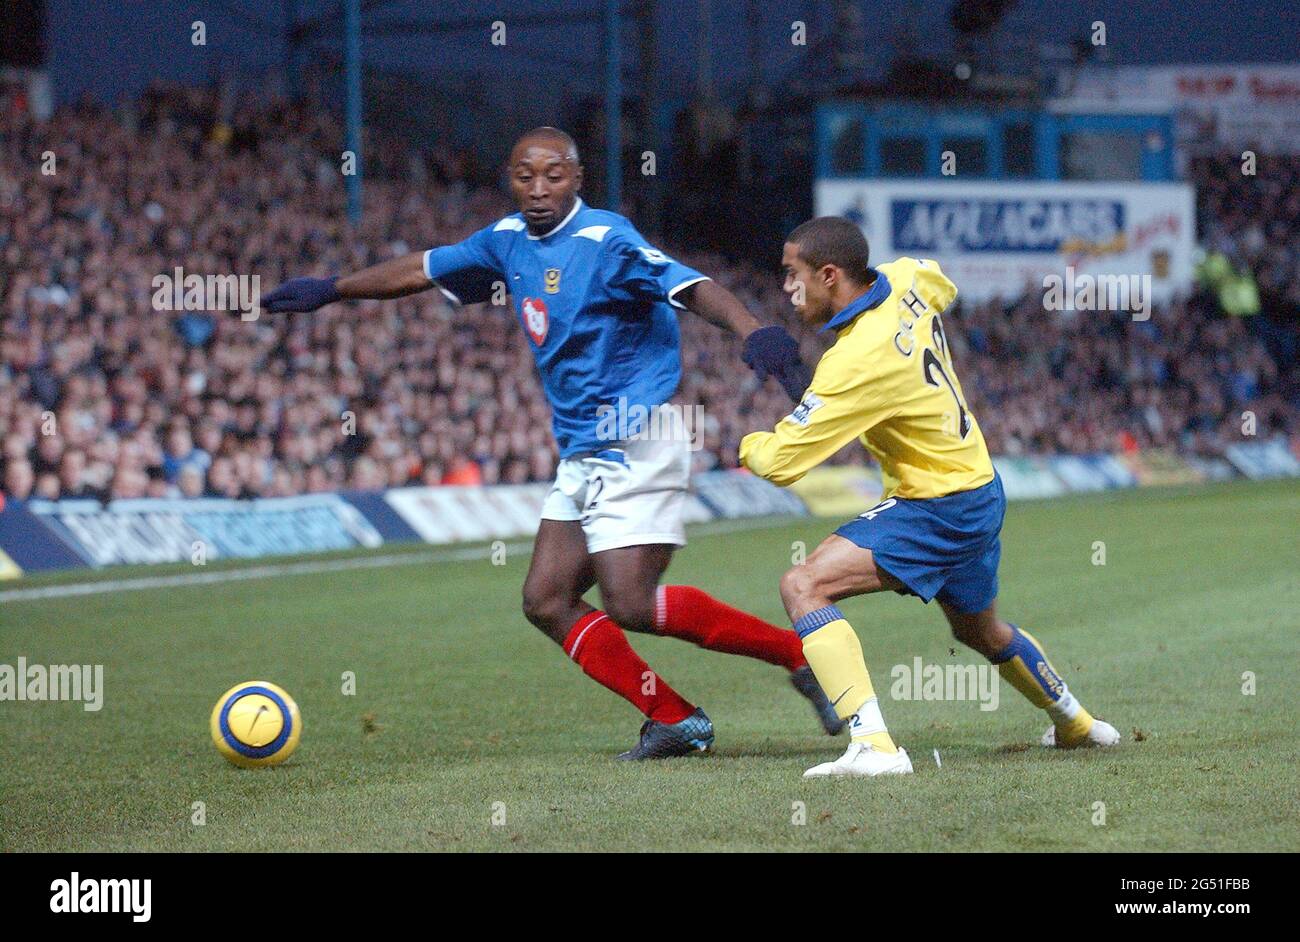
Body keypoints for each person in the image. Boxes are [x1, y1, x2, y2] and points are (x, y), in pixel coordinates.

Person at [260, 127, 842, 759]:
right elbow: (423, 268)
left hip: (641, 435)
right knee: (545, 599)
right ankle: (673, 718)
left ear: (577, 178)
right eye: (524, 176)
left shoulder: (607, 240)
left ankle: (798, 656)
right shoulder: (506, 240)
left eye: (553, 176)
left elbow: (693, 286)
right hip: (584, 451)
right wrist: (335, 289)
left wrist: (754, 331)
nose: (537, 190)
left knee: (630, 602)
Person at [741, 217, 1119, 778]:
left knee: (804, 584)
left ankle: (875, 747)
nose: (786, 290)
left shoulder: (857, 359)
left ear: (828, 275)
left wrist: (746, 442)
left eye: (792, 276)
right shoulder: (905, 277)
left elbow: (778, 462)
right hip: (980, 486)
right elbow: (938, 281)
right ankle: (1079, 724)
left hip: (936, 504)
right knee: (979, 630)